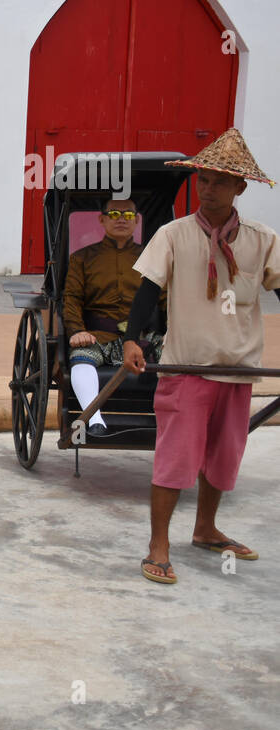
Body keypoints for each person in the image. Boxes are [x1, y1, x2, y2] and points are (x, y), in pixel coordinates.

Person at [122, 129, 280, 585]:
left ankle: (206, 529)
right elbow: (148, 292)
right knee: (175, 459)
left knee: (223, 457)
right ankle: (158, 545)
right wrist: (132, 339)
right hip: (186, 368)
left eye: (217, 181)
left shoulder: (262, 240)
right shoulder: (173, 236)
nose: (207, 188)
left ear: (239, 188)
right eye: (202, 180)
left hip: (238, 369)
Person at [62, 198, 164, 436]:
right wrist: (77, 331)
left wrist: (174, 332)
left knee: (179, 354)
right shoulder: (82, 258)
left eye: (128, 215)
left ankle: (169, 418)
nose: (121, 219)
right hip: (98, 337)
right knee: (81, 355)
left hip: (142, 338)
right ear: (102, 219)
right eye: (115, 214)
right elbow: (72, 298)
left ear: (137, 221)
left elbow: (167, 298)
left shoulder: (151, 259)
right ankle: (93, 418)